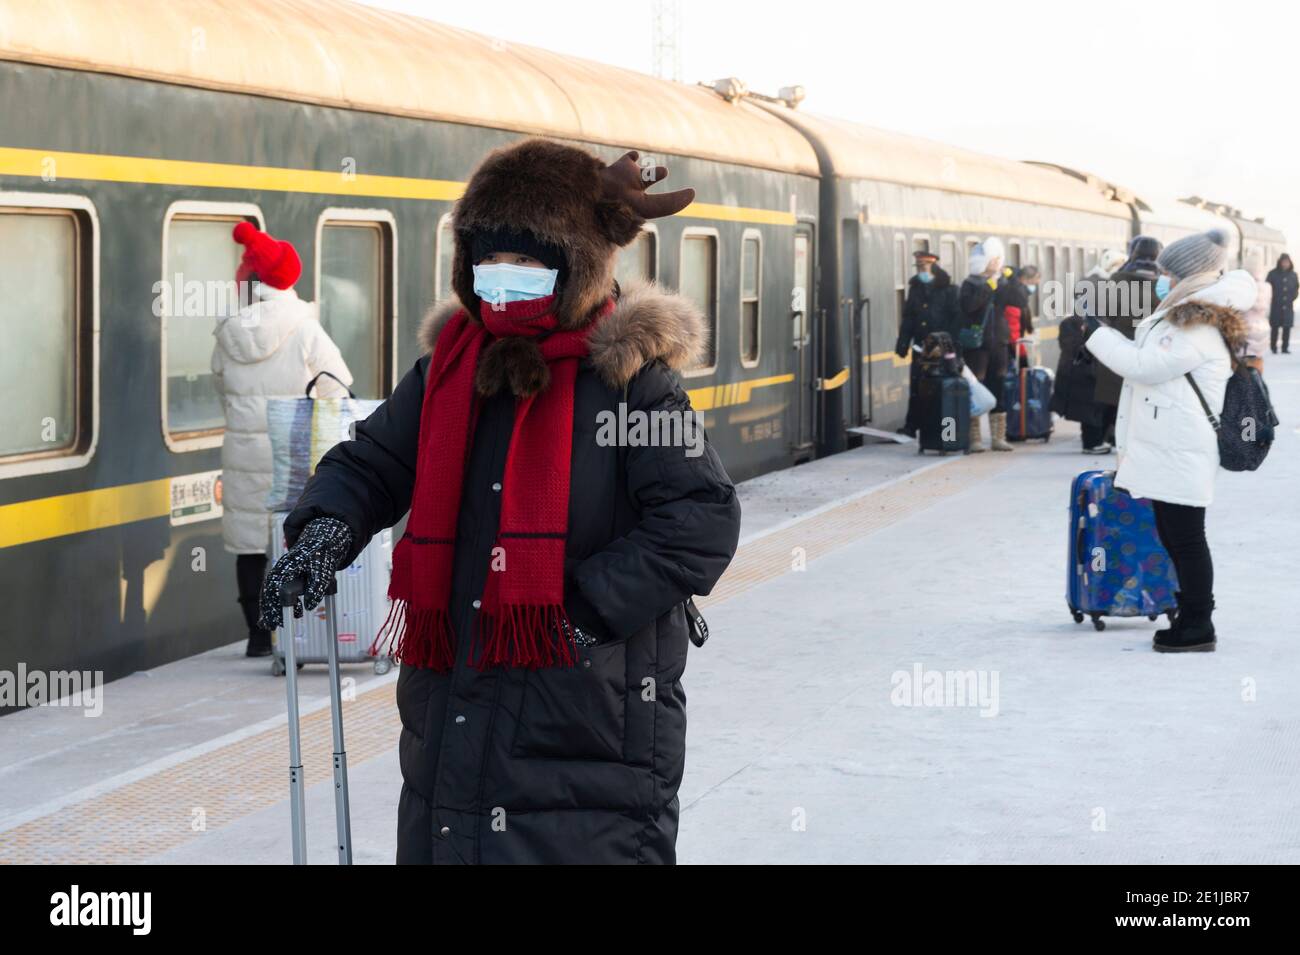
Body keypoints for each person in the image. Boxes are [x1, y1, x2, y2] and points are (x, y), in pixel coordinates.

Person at [258, 138, 742, 864]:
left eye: (529, 260)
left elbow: (700, 521)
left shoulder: (633, 382)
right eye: (489, 256)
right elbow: (373, 462)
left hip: (586, 732)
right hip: (451, 717)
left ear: (575, 265)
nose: (503, 278)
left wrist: (578, 615)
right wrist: (324, 530)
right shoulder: (450, 369)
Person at [1084, 228, 1255, 653]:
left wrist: (1094, 332)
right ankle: (1191, 614)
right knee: (1175, 533)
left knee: (1186, 538)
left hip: (1181, 446)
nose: (1162, 280)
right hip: (1174, 443)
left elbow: (1143, 366)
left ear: (1186, 275)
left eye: (1167, 273)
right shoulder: (1190, 313)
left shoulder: (1195, 323)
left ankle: (1199, 624)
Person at [211, 222, 351, 658]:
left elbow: (222, 388)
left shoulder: (228, 333)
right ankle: (295, 635)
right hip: (295, 452)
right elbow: (338, 387)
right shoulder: (306, 329)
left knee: (250, 544)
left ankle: (256, 637)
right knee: (296, 538)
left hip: (244, 451)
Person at [1088, 237, 1163, 452]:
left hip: (1119, 347)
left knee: (1114, 398)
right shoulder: (1164, 283)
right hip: (1150, 348)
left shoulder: (1117, 279)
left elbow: (1104, 315)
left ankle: (1113, 438)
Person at [896, 250, 960, 436]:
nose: (920, 270)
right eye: (918, 267)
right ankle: (911, 426)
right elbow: (909, 317)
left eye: (924, 266)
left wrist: (949, 345)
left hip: (941, 348)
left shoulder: (949, 289)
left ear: (934, 266)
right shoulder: (915, 288)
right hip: (920, 346)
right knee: (917, 386)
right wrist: (902, 342)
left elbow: (955, 319)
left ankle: (945, 429)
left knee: (941, 387)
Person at [958, 237, 1006, 451]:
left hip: (999, 345)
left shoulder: (1003, 282)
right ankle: (974, 437)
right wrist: (988, 286)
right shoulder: (970, 284)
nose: (995, 263)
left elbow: (1019, 300)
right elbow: (969, 306)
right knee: (976, 389)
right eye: (992, 260)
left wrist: (1004, 280)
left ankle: (998, 437)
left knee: (1000, 387)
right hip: (977, 347)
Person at [1241, 249, 1272, 372]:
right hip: (1262, 327)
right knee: (1257, 361)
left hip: (1246, 328)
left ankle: (1249, 386)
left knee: (1245, 364)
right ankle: (1257, 383)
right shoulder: (1267, 287)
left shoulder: (1243, 287)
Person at [1265, 253, 1297, 353]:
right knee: (1275, 327)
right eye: (1283, 262)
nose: (1285, 264)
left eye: (1287, 262)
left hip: (1288, 305)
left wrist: (1292, 297)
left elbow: (1296, 288)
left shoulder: (1293, 275)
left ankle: (1285, 347)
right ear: (1280, 262)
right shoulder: (1272, 274)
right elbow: (1267, 288)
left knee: (1286, 328)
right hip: (1276, 305)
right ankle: (1273, 347)